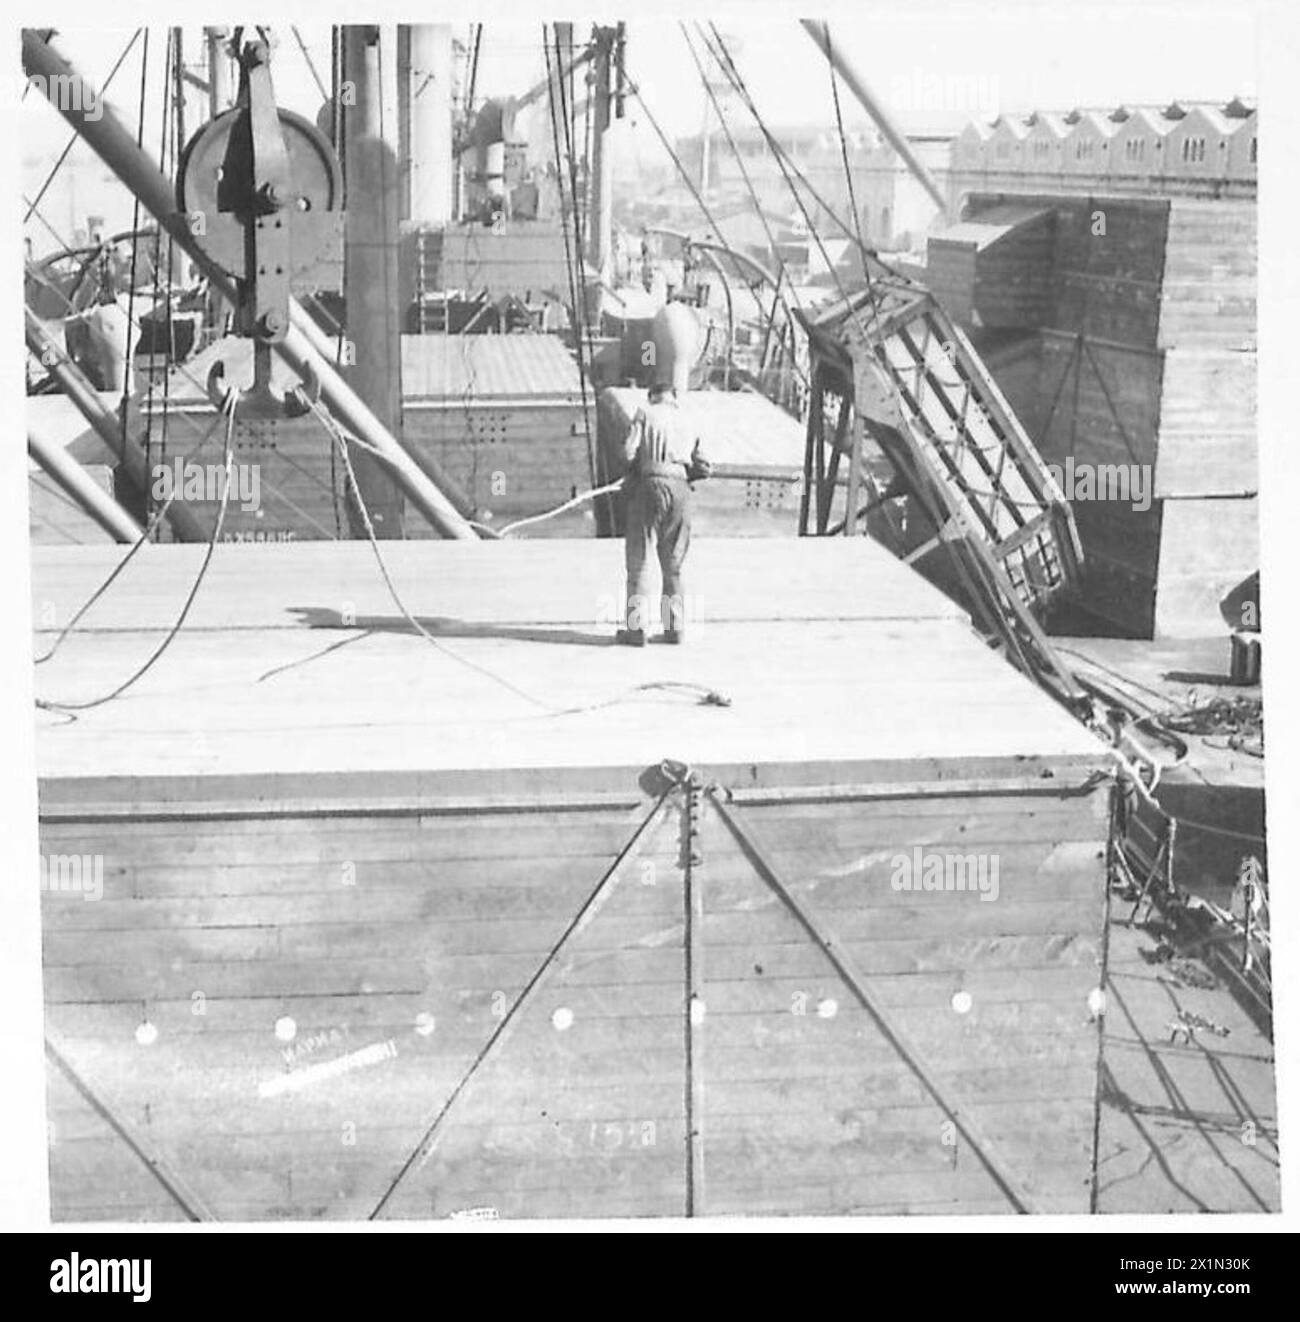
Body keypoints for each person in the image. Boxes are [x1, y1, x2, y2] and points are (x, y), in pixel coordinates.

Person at [619, 374, 711, 646]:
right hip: (680, 488)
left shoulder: (644, 414)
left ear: (652, 396)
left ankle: (636, 628)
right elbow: (705, 466)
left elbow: (628, 452)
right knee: (673, 566)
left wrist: (634, 472)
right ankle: (674, 628)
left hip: (650, 484)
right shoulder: (689, 418)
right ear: (673, 397)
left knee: (639, 561)